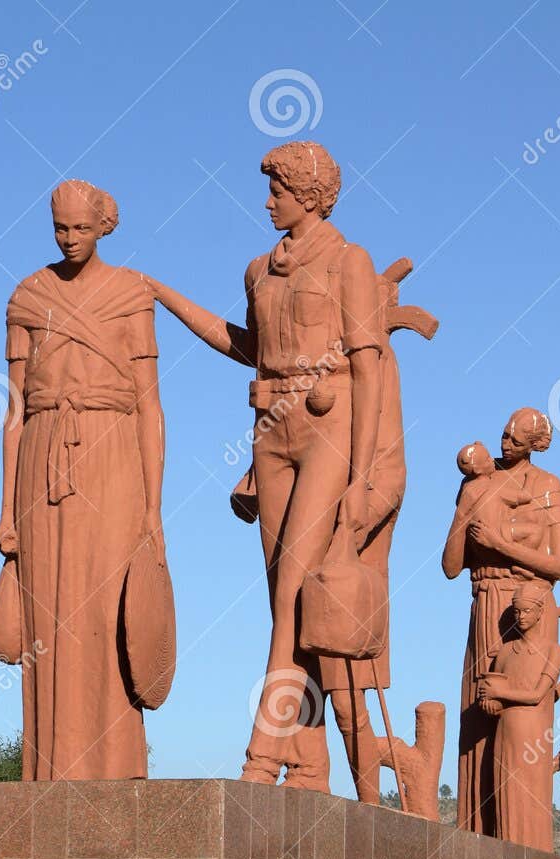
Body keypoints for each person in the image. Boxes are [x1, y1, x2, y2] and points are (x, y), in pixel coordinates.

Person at [143, 142, 383, 786]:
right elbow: (245, 345)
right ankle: (308, 759)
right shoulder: (257, 270)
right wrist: (164, 295)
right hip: (268, 431)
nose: (267, 200)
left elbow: (369, 366)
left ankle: (262, 752)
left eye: (277, 189)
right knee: (286, 598)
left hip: (329, 424)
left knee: (292, 592)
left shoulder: (348, 261)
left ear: (308, 193)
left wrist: (362, 482)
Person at [0, 180, 163, 779]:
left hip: (113, 456)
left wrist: (153, 510)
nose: (70, 239)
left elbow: (149, 405)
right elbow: (14, 413)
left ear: (104, 227)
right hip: (43, 462)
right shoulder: (27, 296)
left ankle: (116, 771)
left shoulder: (129, 295)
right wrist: (5, 512)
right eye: (60, 229)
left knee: (107, 615)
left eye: (82, 229)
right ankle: (46, 774)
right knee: (47, 619)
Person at [442, 408, 560, 836]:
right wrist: (466, 506)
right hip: (484, 602)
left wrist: (499, 544)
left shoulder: (548, 486)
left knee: (521, 717)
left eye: (515, 439)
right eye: (503, 435)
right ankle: (477, 832)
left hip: (531, 604)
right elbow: (449, 566)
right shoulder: (479, 482)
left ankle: (525, 836)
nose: (505, 444)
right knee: (479, 714)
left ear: (534, 443)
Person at [477, 582, 560, 852]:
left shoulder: (553, 651)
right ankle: (508, 850)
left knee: (532, 792)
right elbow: (490, 694)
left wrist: (502, 692)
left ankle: (536, 853)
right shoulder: (505, 652)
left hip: (533, 733)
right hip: (506, 733)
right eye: (517, 612)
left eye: (526, 611)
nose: (521, 617)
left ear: (540, 612)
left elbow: (537, 695)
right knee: (507, 794)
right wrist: (490, 703)